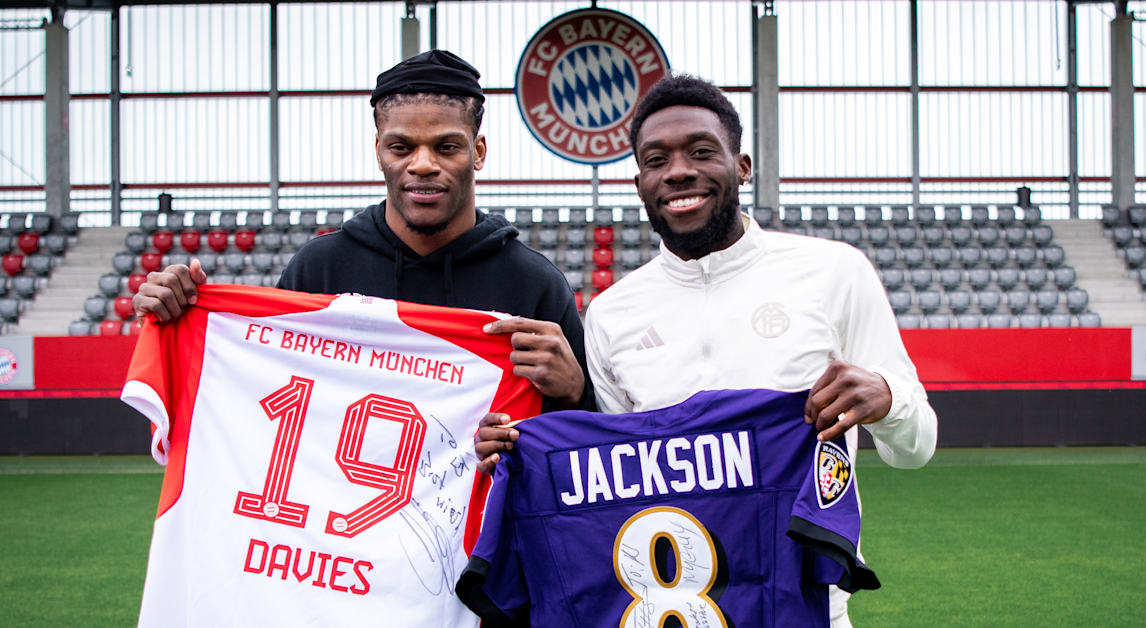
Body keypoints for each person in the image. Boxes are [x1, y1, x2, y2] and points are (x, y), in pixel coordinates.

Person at [586, 74, 938, 626]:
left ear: (742, 166)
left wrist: (889, 398)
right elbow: (620, 488)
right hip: (671, 609)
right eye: (657, 159)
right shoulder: (610, 314)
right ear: (640, 183)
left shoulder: (833, 272)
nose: (678, 170)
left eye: (701, 152)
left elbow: (917, 447)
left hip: (809, 608)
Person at [132, 49, 586, 410]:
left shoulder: (534, 285)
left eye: (447, 147)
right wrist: (177, 320)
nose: (423, 164)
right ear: (378, 151)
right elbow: (253, 402)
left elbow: (583, 459)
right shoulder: (320, 271)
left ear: (479, 152)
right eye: (401, 147)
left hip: (481, 526)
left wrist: (573, 392)